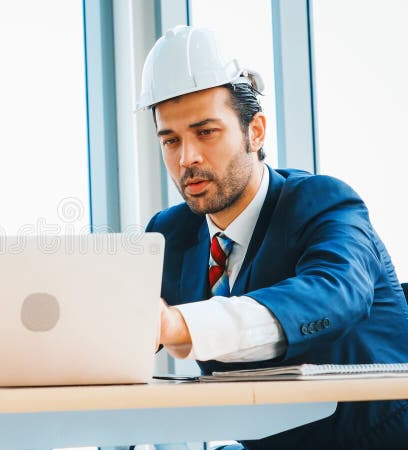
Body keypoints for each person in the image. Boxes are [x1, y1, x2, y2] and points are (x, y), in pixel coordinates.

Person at [141, 26, 408, 449]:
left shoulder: (323, 203)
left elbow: (334, 293)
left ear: (256, 132)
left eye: (205, 132)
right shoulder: (169, 234)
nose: (186, 158)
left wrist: (178, 324)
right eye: (170, 140)